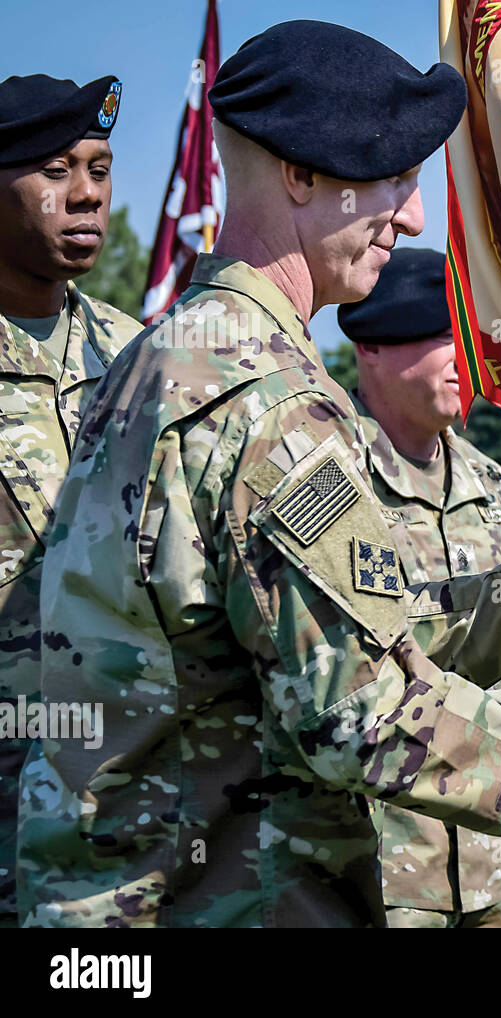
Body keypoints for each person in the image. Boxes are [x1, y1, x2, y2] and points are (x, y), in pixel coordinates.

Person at [18, 20, 501, 929]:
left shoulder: (163, 357)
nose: (413, 217)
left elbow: (321, 631)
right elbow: (363, 720)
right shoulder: (265, 403)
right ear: (301, 175)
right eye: (395, 179)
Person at [336, 247, 501, 928]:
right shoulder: (331, 484)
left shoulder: (498, 489)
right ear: (371, 348)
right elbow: (385, 663)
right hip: (380, 872)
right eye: (438, 334)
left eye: (467, 337)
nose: (463, 357)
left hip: (488, 860)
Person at [0, 73, 141, 927]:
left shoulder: (139, 356)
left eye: (99, 166)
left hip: (124, 794)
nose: (86, 193)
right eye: (55, 169)